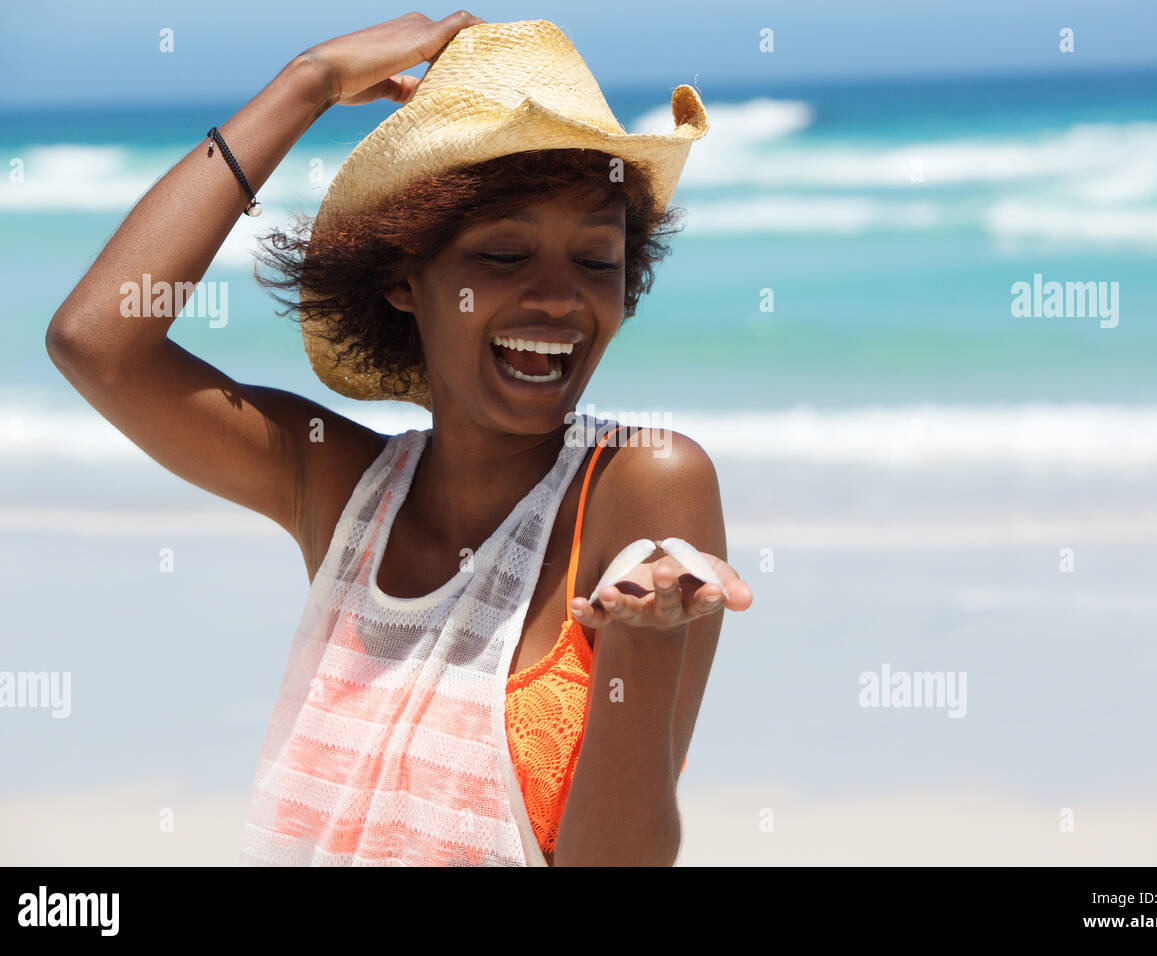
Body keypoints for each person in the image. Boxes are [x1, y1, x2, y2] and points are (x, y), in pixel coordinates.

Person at [45, 11, 752, 867]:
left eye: (597, 261)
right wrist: (306, 83)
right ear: (404, 280)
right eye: (504, 254)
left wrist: (647, 640)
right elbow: (99, 342)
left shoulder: (640, 484)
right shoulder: (343, 492)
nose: (562, 298)